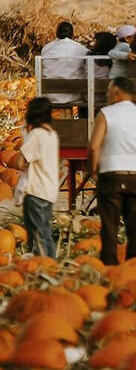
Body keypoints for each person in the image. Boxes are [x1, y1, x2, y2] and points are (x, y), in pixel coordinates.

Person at [87, 77, 136, 265]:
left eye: (109, 91)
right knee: (135, 226)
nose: (107, 94)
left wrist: (94, 170)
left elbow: (94, 147)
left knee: (110, 227)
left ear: (117, 92)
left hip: (111, 174)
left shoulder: (105, 114)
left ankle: (110, 268)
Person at [18, 97, 59, 257]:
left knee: (37, 233)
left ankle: (47, 262)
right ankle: (49, 261)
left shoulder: (36, 134)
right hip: (49, 191)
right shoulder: (52, 134)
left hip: (36, 191)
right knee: (44, 228)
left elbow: (21, 160)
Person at [39, 22, 89, 105]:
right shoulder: (80, 49)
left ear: (57, 33)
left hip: (50, 95)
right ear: (72, 34)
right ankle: (80, 117)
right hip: (73, 94)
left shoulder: (47, 48)